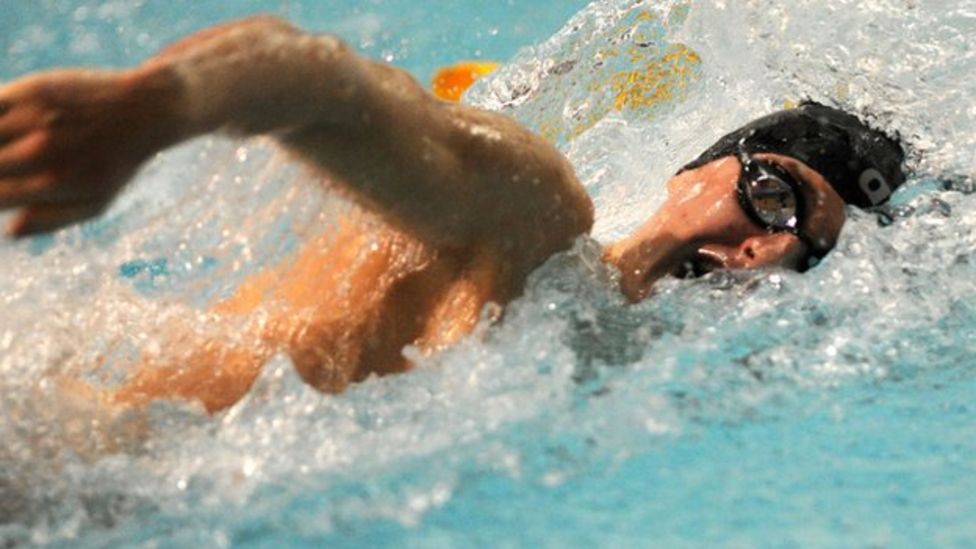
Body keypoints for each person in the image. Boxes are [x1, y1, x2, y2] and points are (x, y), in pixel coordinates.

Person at [0, 16, 905, 414]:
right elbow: (318, 78)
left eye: (801, 253)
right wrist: (152, 111)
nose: (760, 250)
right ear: (699, 168)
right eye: (774, 197)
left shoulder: (596, 369)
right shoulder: (536, 214)